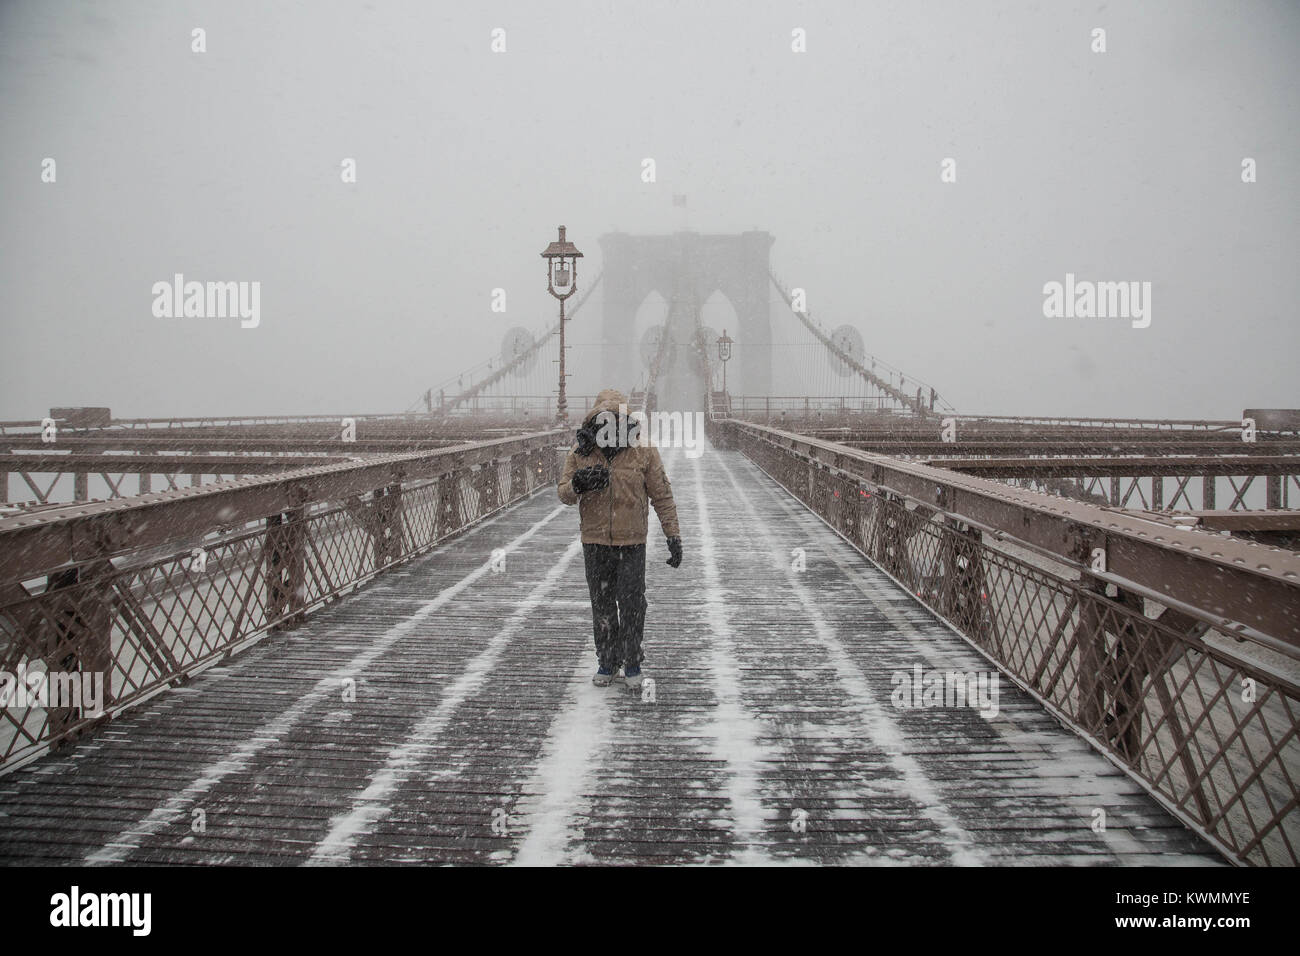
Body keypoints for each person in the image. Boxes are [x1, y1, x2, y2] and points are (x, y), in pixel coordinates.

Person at [558, 388, 682, 688]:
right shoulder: (580, 452)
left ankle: (632, 663)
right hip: (595, 541)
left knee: (632, 605)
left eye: (615, 418)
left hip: (632, 542)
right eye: (604, 418)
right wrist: (577, 483)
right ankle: (607, 662)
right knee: (601, 605)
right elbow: (563, 494)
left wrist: (673, 535)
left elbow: (662, 495)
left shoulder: (644, 451)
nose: (609, 424)